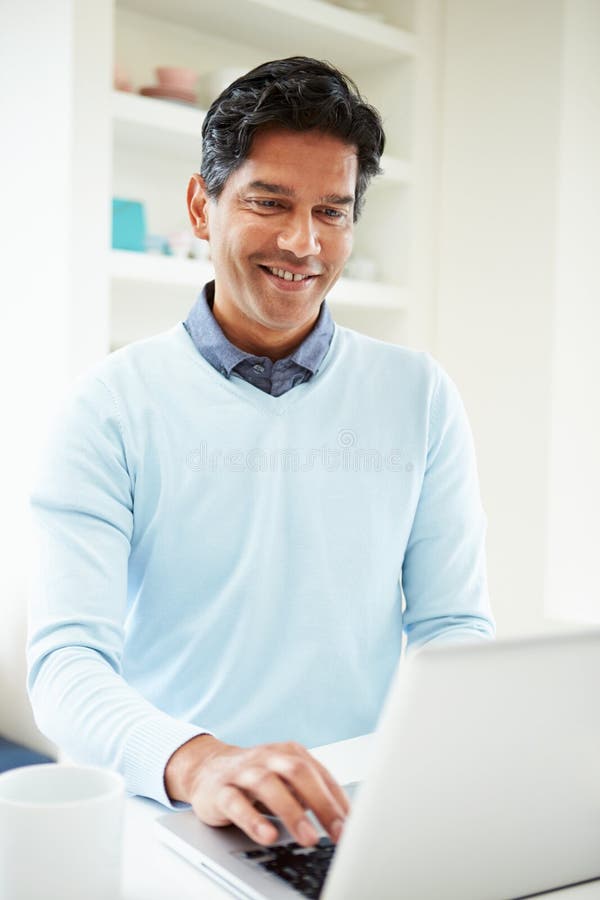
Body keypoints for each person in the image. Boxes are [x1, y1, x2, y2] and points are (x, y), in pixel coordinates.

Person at [27, 56, 494, 850]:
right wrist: (199, 762)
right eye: (269, 202)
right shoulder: (106, 406)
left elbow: (452, 625)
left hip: (360, 814)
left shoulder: (418, 394)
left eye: (333, 212)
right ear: (201, 208)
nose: (302, 242)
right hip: (179, 819)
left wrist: (440, 772)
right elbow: (67, 666)